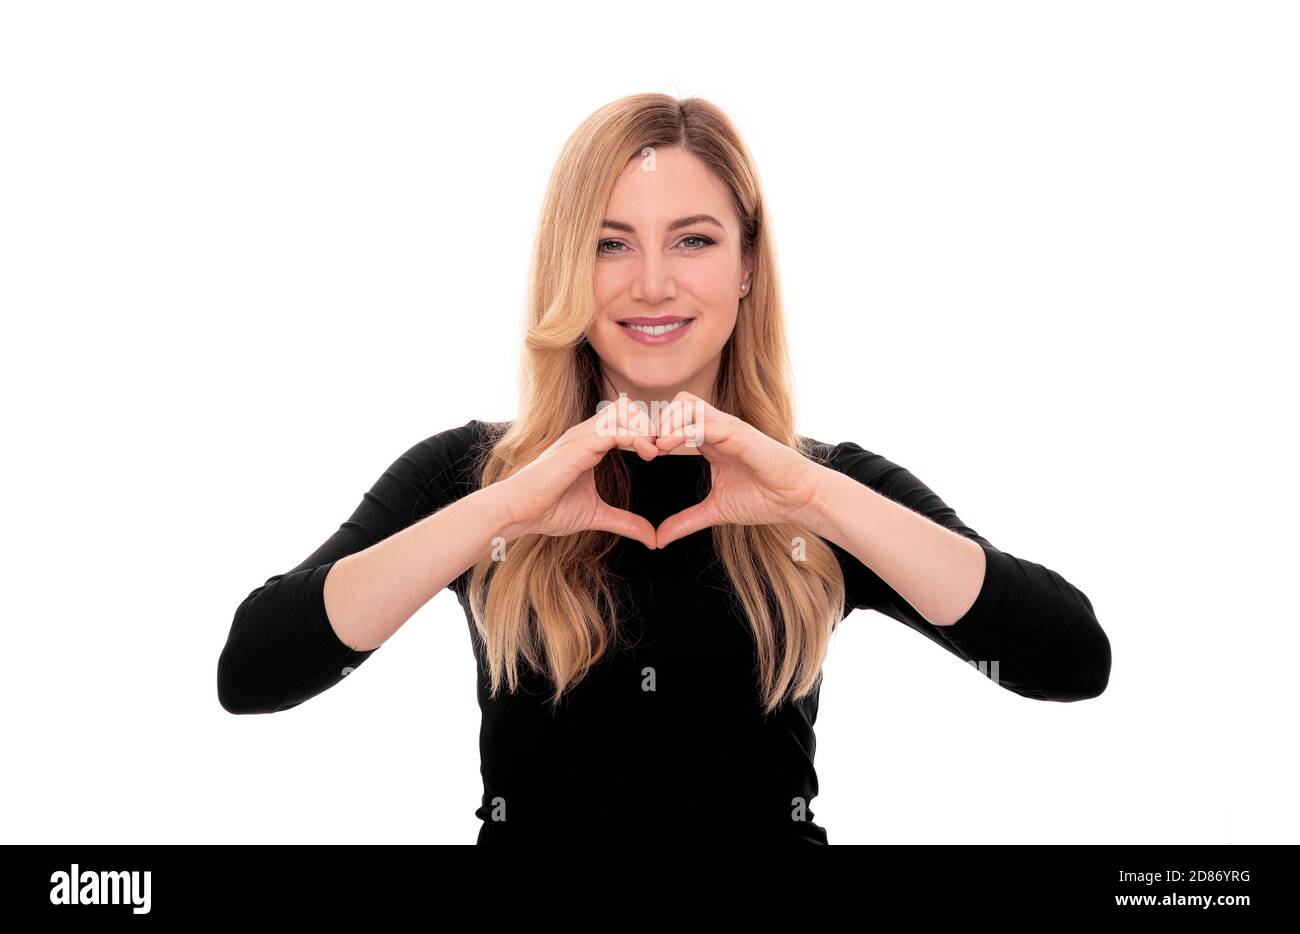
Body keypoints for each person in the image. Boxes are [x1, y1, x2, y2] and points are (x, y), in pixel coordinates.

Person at [217, 93, 1111, 844]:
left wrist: (809, 496)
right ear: (568, 264)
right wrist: (500, 509)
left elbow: (1068, 660)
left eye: (693, 241)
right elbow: (254, 673)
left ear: (748, 265)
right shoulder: (471, 473)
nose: (652, 285)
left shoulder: (823, 486)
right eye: (610, 244)